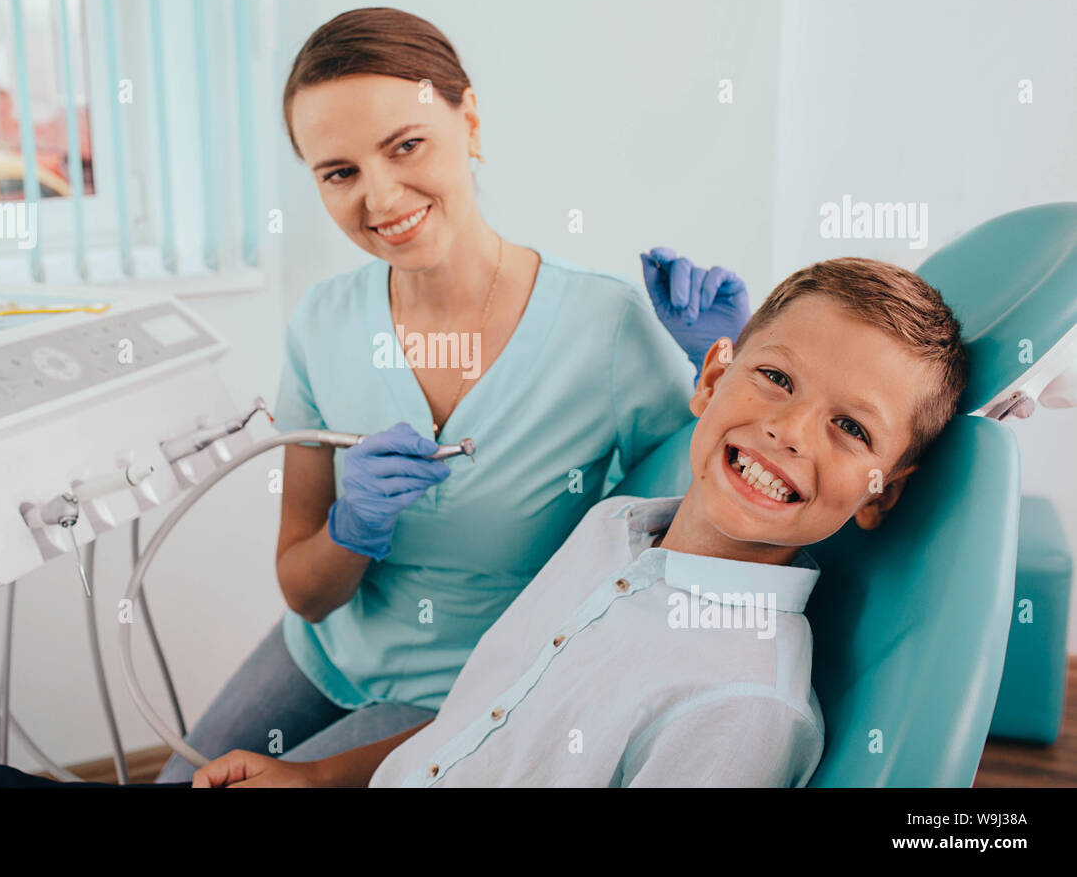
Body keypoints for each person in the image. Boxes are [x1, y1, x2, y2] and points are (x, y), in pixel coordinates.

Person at [149, 7, 750, 782]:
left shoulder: (603, 330)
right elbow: (305, 592)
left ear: (469, 120)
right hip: (325, 654)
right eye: (340, 172)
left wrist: (725, 369)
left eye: (406, 145)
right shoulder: (322, 327)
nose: (381, 196)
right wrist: (351, 527)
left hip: (478, 686)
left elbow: (707, 518)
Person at [179, 257, 969, 787]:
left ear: (880, 494)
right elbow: (482, 727)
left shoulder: (742, 711)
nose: (792, 430)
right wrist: (314, 779)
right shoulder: (612, 530)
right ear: (713, 377)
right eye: (775, 377)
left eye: (851, 428)